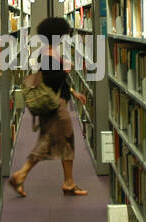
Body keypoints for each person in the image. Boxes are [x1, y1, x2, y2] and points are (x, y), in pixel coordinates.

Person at [8, 16, 90, 197]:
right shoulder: (48, 55)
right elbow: (51, 79)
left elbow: (54, 80)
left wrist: (73, 91)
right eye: (62, 34)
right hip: (56, 107)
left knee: (65, 142)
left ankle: (69, 182)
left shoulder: (48, 51)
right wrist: (65, 69)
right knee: (48, 143)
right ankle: (20, 174)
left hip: (57, 103)